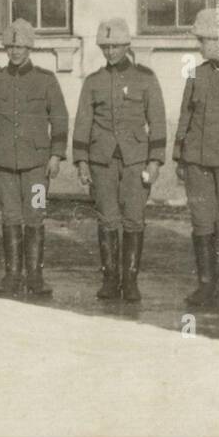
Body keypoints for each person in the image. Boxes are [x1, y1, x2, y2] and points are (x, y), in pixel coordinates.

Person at [73, 18, 166, 303]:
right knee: (107, 220)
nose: (110, 51)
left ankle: (131, 280)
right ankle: (111, 280)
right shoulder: (93, 82)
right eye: (105, 46)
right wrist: (81, 161)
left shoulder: (146, 78)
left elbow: (158, 122)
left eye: (115, 46)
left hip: (136, 161)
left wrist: (155, 161)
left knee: (134, 220)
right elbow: (82, 124)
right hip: (102, 162)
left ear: (126, 46)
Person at [0, 19, 68, 296]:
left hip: (38, 167)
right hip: (4, 167)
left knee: (36, 215)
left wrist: (55, 156)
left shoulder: (45, 80)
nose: (15, 51)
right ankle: (12, 275)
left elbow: (60, 120)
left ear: (30, 47)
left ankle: (35, 276)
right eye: (11, 46)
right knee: (10, 217)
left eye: (21, 46)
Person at [173, 7, 219, 307]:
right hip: (196, 162)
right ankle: (206, 284)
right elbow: (186, 117)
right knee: (202, 223)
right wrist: (179, 158)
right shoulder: (196, 74)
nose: (199, 46)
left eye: (203, 41)